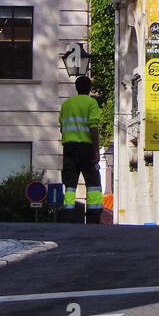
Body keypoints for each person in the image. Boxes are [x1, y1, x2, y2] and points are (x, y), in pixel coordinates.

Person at [59, 75, 104, 224]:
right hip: (86, 147)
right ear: (89, 89)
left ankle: (69, 213)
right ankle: (93, 214)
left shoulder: (66, 105)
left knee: (70, 182)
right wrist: (96, 150)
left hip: (69, 147)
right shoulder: (91, 103)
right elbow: (93, 127)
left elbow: (62, 128)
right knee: (93, 182)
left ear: (76, 88)